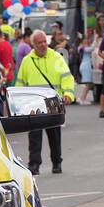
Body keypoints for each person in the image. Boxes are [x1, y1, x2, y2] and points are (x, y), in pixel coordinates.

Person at [13, 30, 75, 174]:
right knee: (34, 136)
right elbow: (20, 83)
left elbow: (67, 77)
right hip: (33, 105)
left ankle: (56, 162)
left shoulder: (56, 57)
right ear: (33, 44)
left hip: (52, 102)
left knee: (54, 135)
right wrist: (18, 103)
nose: (43, 45)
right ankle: (34, 165)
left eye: (44, 42)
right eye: (39, 43)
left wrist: (68, 94)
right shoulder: (27, 61)